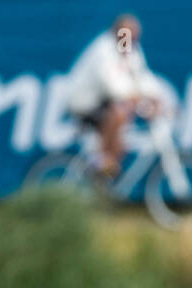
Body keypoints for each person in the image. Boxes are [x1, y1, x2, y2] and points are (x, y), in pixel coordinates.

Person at [65, 14, 165, 178]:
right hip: (83, 103)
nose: (132, 37)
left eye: (135, 34)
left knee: (123, 138)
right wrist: (135, 97)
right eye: (128, 33)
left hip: (103, 102)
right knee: (119, 112)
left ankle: (105, 174)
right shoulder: (103, 49)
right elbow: (110, 83)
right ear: (117, 32)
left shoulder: (130, 50)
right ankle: (102, 161)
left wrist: (156, 97)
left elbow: (141, 76)